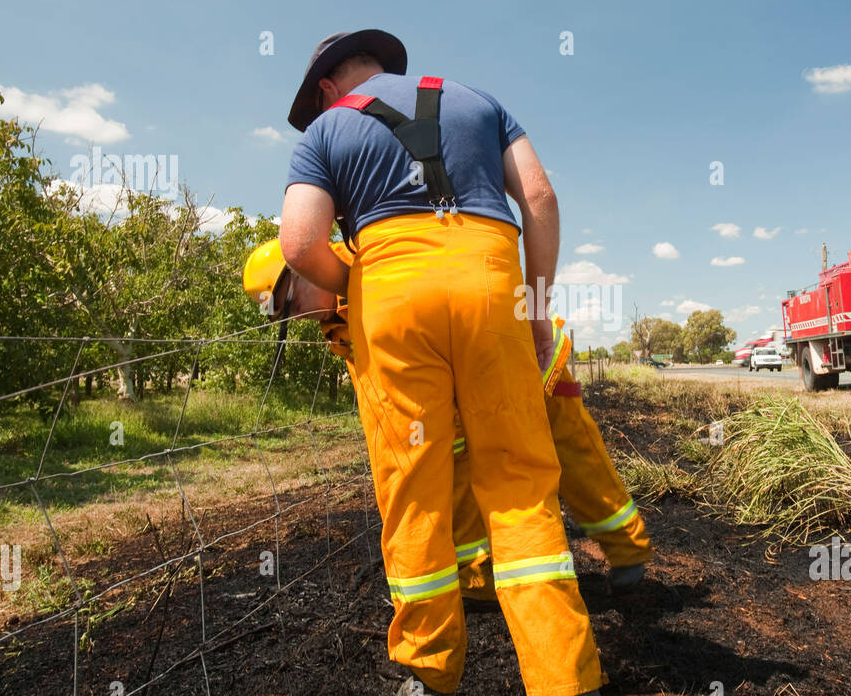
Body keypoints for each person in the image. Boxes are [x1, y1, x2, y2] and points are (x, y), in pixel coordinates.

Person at [277, 28, 616, 696]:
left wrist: (365, 286)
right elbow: (542, 199)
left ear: (327, 90)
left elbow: (302, 245)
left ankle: (431, 694)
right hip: (491, 281)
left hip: (393, 297)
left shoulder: (327, 132)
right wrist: (536, 306)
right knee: (521, 478)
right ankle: (569, 689)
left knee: (414, 485)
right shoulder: (479, 100)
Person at [241, 238, 654, 601]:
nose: (299, 319)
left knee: (573, 454)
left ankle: (627, 547)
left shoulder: (373, 257)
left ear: (304, 265)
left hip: (527, 356)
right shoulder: (337, 327)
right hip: (466, 390)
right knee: (462, 467)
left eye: (292, 305)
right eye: (285, 318)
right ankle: (479, 579)